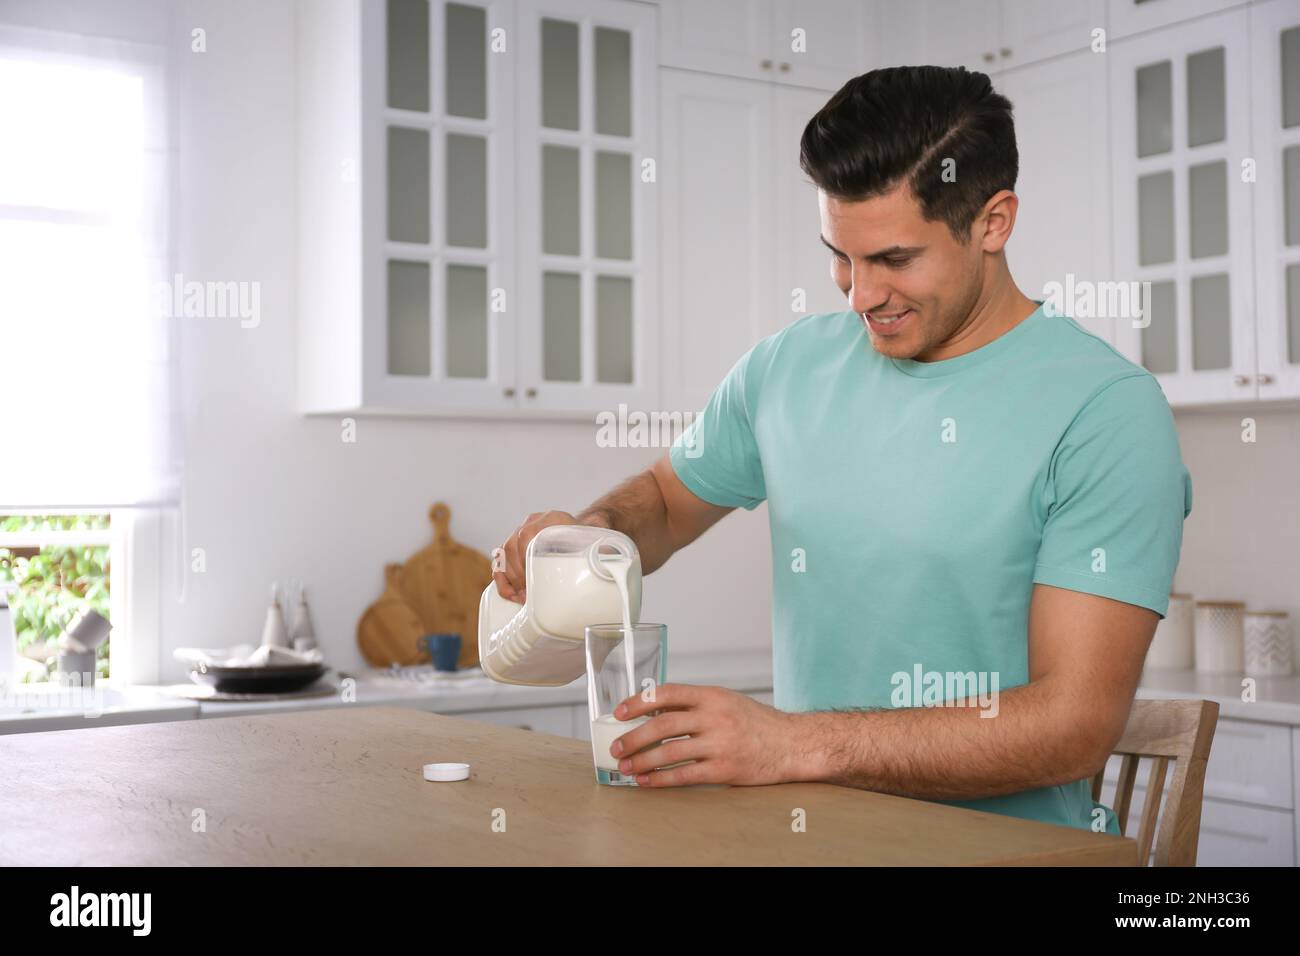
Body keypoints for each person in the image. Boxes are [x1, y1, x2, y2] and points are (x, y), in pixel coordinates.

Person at [493, 66, 1192, 835]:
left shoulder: (1105, 411)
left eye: (894, 259)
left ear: (993, 222)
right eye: (840, 256)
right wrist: (589, 537)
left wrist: (790, 743)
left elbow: (1074, 725)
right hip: (806, 845)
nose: (859, 295)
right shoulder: (787, 366)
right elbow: (662, 501)